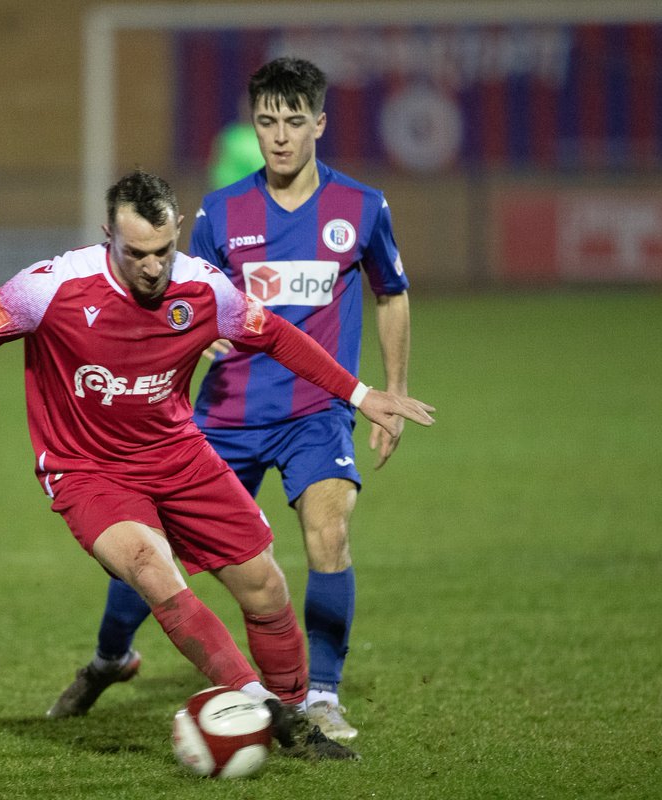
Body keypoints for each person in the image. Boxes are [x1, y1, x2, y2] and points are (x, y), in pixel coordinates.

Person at [0, 170, 434, 760]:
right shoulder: (47, 288)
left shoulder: (205, 288)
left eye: (163, 250)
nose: (153, 267)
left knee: (265, 587)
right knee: (151, 570)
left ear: (178, 230)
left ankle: (294, 713)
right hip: (87, 471)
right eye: (136, 253)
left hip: (180, 456)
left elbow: (273, 334)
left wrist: (361, 394)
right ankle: (264, 707)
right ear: (109, 234)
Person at [48, 57, 413, 742]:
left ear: (319, 124)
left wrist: (390, 392)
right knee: (149, 553)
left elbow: (391, 294)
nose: (280, 136)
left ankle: (321, 695)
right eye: (267, 121)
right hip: (225, 414)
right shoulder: (221, 211)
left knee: (329, 533)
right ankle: (109, 658)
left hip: (316, 412)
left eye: (294, 121)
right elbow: (183, 303)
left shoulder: (363, 207)